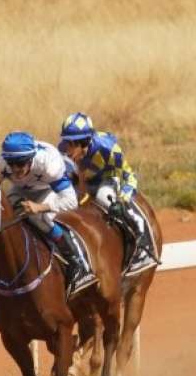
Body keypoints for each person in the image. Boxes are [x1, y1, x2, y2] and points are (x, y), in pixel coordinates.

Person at [0, 131, 98, 298]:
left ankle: (77, 264)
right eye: (12, 163)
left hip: (49, 188)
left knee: (41, 218)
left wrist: (40, 207)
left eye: (20, 164)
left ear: (31, 158)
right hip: (23, 189)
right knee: (3, 215)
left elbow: (71, 201)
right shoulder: (3, 163)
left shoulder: (48, 164)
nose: (15, 169)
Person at [57, 112, 159, 277]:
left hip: (111, 178)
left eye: (70, 144)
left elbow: (127, 176)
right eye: (65, 142)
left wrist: (122, 199)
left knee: (104, 197)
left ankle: (143, 243)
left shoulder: (107, 148)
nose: (65, 148)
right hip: (85, 180)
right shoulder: (62, 150)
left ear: (82, 142)